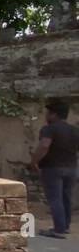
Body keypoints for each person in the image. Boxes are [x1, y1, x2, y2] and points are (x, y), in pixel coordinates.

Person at [30, 101, 78, 239]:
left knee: (55, 198)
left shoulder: (50, 129)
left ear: (54, 114)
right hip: (71, 168)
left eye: (48, 113)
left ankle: (58, 230)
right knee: (66, 198)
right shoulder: (74, 130)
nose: (46, 116)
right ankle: (65, 226)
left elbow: (44, 146)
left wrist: (34, 161)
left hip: (53, 168)